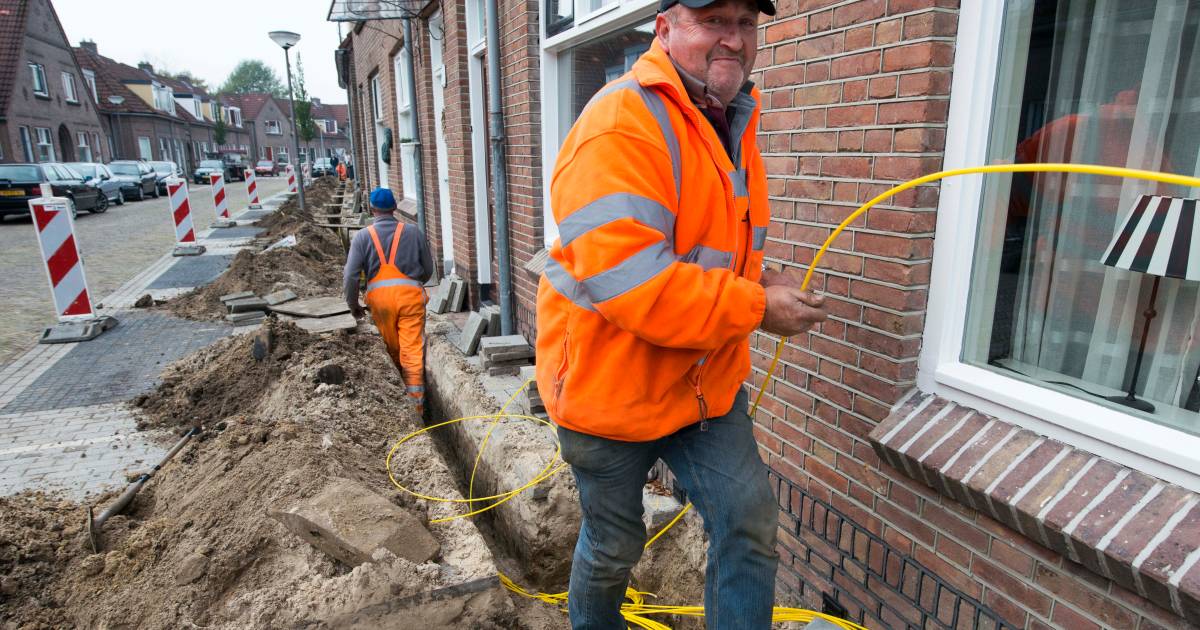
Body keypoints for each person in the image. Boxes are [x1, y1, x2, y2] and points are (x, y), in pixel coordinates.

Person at [535, 0, 827, 628]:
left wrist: (757, 277)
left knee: (748, 522)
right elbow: (635, 285)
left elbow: (702, 250)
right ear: (664, 30)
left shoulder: (729, 123)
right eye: (713, 20)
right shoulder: (621, 124)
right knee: (614, 545)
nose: (733, 39)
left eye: (745, 24)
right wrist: (756, 305)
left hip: (701, 386)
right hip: (608, 388)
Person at [343, 188, 435, 411]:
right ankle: (416, 408)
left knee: (390, 350)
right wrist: (412, 283)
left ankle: (397, 404)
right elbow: (428, 270)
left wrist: (354, 306)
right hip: (411, 299)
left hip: (380, 304)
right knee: (411, 351)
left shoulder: (362, 237)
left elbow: (350, 276)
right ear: (394, 208)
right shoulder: (413, 233)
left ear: (372, 209)